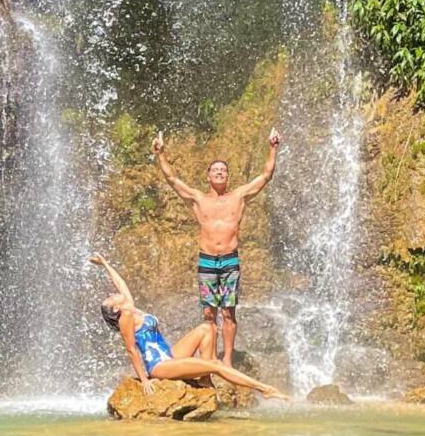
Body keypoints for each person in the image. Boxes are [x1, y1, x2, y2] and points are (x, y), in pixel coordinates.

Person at [152, 127, 279, 366]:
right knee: (209, 313)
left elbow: (265, 176)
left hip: (230, 260)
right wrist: (160, 154)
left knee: (229, 312)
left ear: (227, 177)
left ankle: (228, 359)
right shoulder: (198, 198)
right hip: (207, 260)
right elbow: (172, 179)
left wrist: (272, 147)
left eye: (224, 170)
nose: (220, 173)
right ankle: (209, 357)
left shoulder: (238, 196)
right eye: (216, 170)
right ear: (208, 176)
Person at [90, 255, 285, 399]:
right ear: (114, 308)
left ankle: (204, 380)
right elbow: (131, 350)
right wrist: (145, 379)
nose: (113, 294)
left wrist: (105, 264)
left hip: (170, 354)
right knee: (216, 364)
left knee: (207, 328)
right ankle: (264, 389)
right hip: (159, 365)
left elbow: (121, 283)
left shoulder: (132, 309)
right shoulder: (126, 317)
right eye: (110, 298)